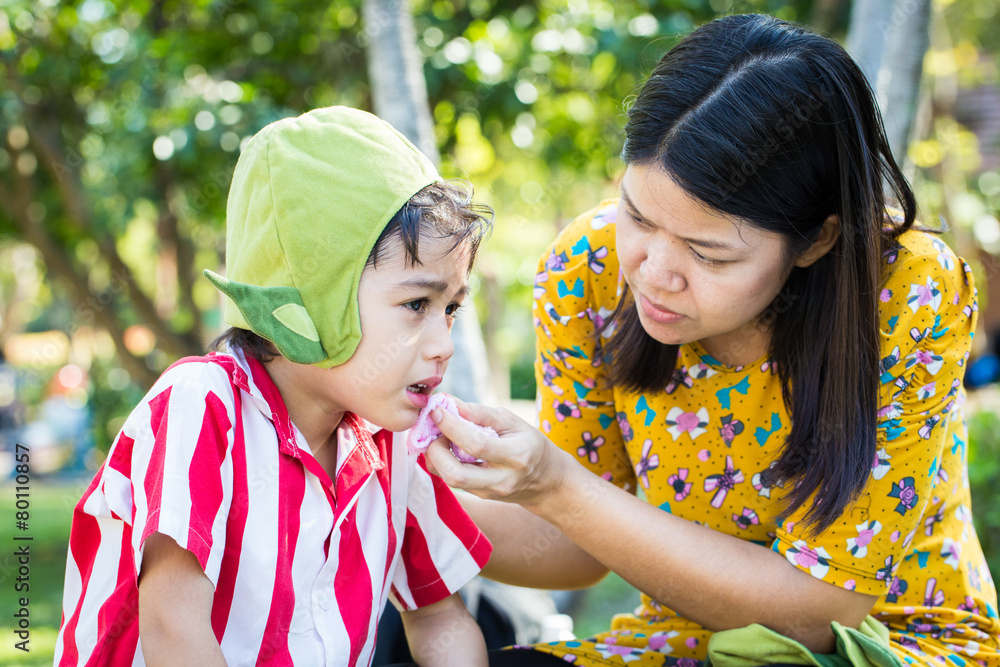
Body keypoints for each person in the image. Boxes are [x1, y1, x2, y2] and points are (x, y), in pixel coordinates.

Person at [425, 14, 1000, 667]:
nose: (653, 272)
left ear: (818, 238)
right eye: (636, 215)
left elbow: (819, 616)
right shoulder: (586, 270)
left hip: (888, 642)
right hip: (680, 644)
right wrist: (402, 503)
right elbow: (579, 544)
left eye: (709, 254)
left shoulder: (906, 292)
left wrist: (557, 485)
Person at [54, 106, 495, 667]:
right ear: (309, 298)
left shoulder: (391, 443)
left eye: (451, 308)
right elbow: (173, 628)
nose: (444, 343)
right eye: (416, 305)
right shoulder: (202, 404)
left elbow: (438, 617)